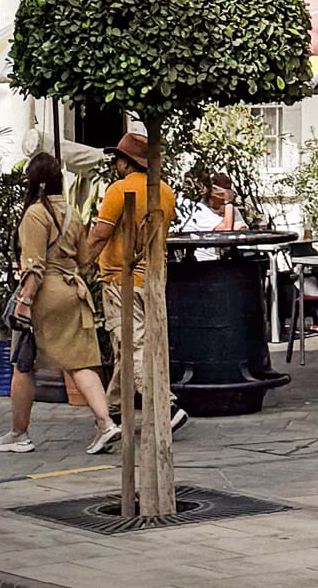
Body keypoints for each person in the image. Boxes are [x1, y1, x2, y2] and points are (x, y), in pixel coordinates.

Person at [0, 153, 118, 456]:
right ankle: (105, 423)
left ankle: (19, 433)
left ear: (35, 182)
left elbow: (34, 266)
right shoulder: (72, 212)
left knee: (23, 363)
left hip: (45, 294)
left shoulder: (36, 214)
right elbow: (85, 258)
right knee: (80, 362)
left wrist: (24, 301)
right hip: (74, 292)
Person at [81, 121, 188, 434]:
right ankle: (113, 408)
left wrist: (80, 263)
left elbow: (100, 234)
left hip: (120, 277)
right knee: (131, 346)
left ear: (127, 162)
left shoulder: (119, 190)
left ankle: (166, 405)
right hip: (154, 277)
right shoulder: (165, 191)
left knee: (131, 345)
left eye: (118, 158)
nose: (116, 164)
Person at [178, 173, 248, 233]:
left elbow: (242, 228)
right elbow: (226, 228)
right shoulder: (198, 209)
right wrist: (228, 202)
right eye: (225, 188)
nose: (229, 192)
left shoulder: (232, 210)